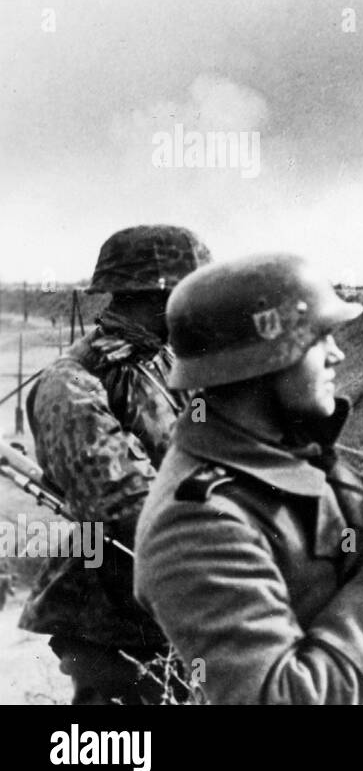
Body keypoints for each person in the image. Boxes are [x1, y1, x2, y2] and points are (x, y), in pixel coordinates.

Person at [133, 253, 363, 704]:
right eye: (320, 338)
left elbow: (324, 583)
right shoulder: (200, 523)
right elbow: (283, 697)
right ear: (266, 358)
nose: (338, 353)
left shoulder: (286, 455)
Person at [19, 224, 210, 704]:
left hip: (177, 609)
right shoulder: (72, 383)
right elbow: (125, 506)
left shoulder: (165, 364)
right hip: (112, 625)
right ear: (159, 293)